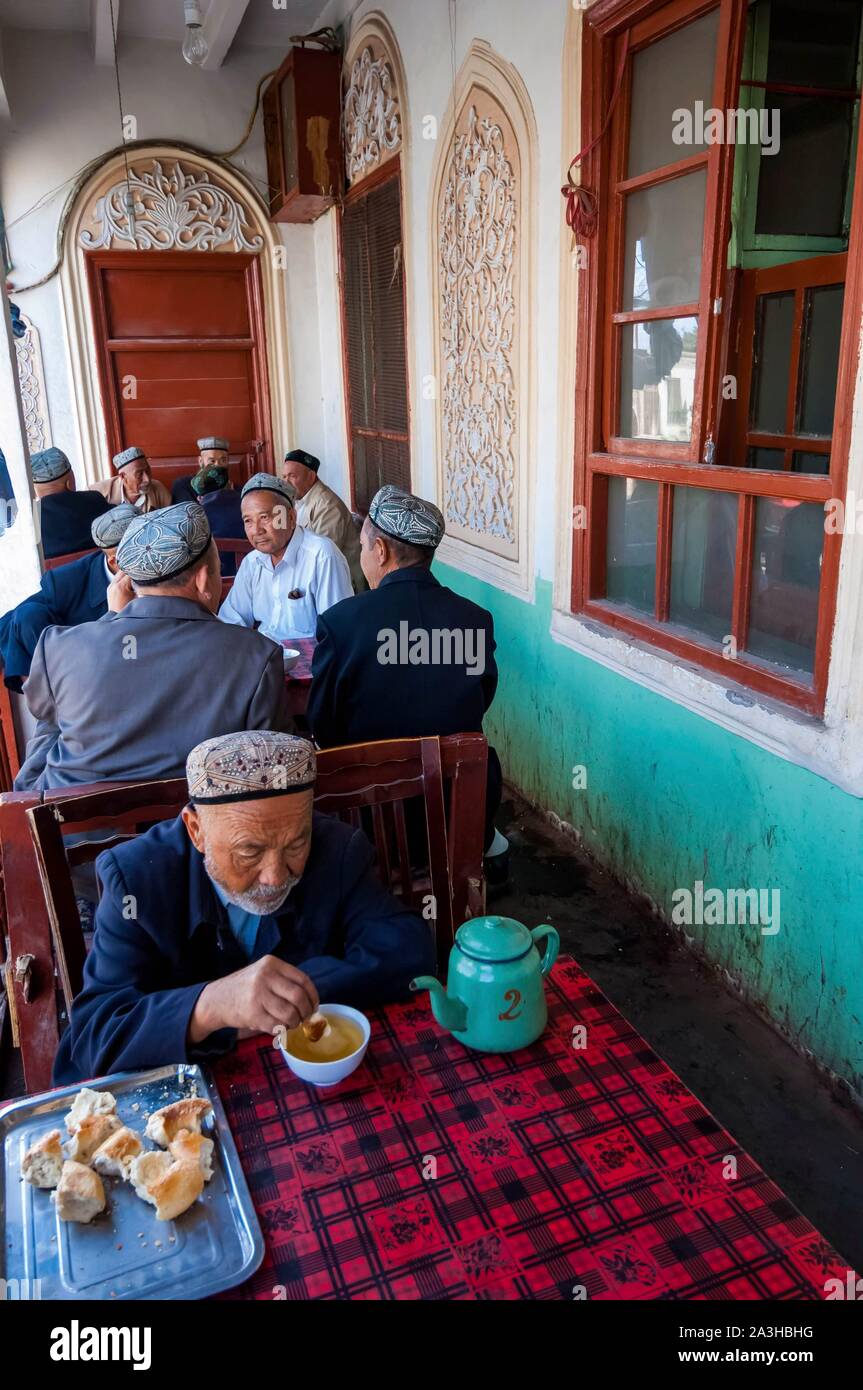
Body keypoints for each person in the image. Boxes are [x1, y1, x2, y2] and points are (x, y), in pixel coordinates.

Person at [53, 731, 436, 1082]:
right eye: (249, 851)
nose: (275, 876)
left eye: (294, 845)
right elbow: (93, 1037)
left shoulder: (336, 851)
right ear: (196, 830)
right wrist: (210, 1006)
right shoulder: (137, 881)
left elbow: (407, 951)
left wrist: (274, 1002)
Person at [307, 484, 509, 882]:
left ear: (380, 551)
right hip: (458, 817)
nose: (364, 555)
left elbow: (323, 726)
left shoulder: (343, 623)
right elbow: (479, 701)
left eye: (364, 546)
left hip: (369, 824)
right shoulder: (473, 620)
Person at [15, 502, 290, 791]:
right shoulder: (257, 655)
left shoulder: (61, 647)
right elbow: (269, 767)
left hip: (72, 832)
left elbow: (48, 717)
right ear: (203, 579)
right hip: (198, 830)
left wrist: (112, 620)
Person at [0, 503, 137, 691]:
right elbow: (13, 622)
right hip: (92, 679)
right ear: (114, 560)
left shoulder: (168, 564)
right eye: (142, 550)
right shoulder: (66, 582)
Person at [219, 472, 353, 642]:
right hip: (265, 659)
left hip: (313, 661)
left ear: (290, 517)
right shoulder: (252, 563)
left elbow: (338, 632)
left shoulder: (322, 556)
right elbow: (232, 622)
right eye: (248, 521)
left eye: (265, 517)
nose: (256, 530)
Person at [279, 448, 366, 593]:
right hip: (314, 576)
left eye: (292, 476)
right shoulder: (298, 499)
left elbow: (320, 558)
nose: (286, 482)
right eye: (284, 477)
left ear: (311, 476)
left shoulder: (328, 506)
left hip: (343, 584)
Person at [28, 447, 110, 560]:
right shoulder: (94, 500)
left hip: (55, 577)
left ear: (35, 490)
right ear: (69, 483)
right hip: (103, 573)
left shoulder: (31, 517)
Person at [190, 460, 245, 576]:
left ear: (200, 497)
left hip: (212, 580)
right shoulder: (248, 506)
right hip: (250, 574)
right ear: (230, 484)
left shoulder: (194, 517)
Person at [92, 445, 171, 514]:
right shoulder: (99, 493)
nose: (147, 479)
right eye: (139, 474)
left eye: (147, 471)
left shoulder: (158, 489)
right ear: (123, 476)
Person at [172, 436, 230, 504]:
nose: (217, 465)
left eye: (223, 460)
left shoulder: (234, 489)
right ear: (200, 461)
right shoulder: (183, 485)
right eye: (212, 461)